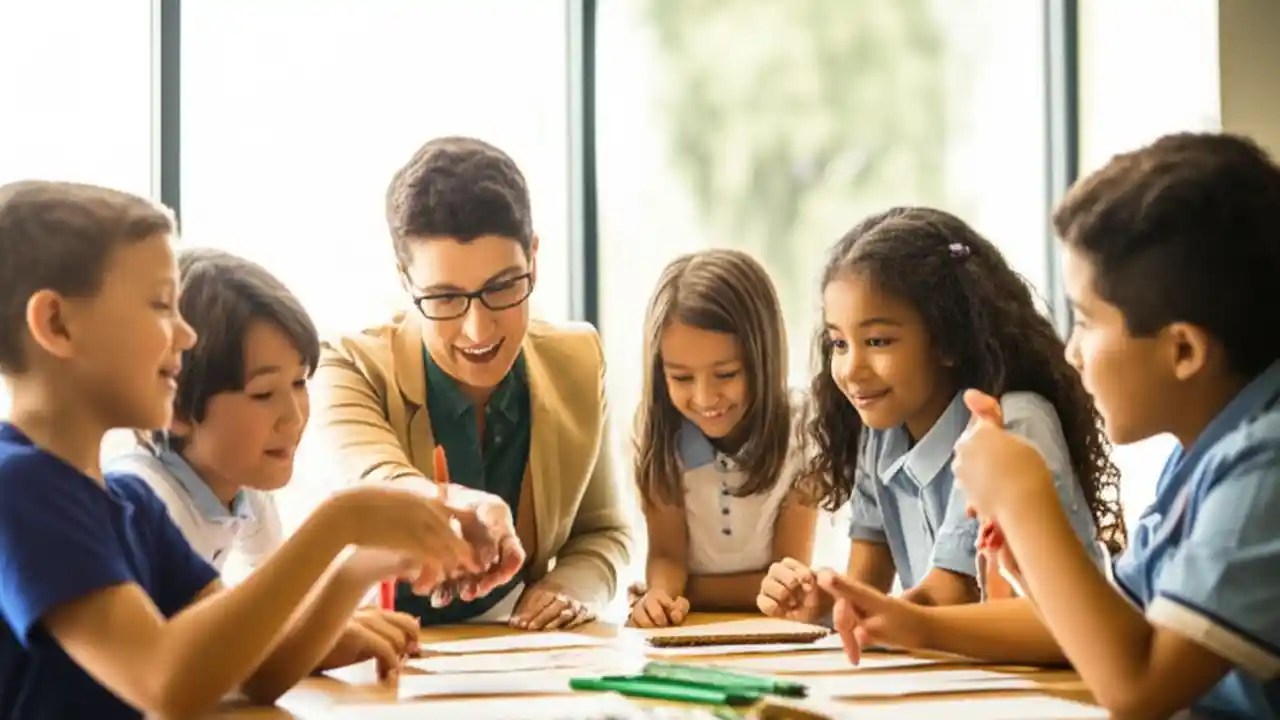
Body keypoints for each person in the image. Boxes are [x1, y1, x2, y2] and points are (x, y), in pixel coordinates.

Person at [820, 133, 1280, 718]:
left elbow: (1140, 688)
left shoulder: (1266, 465)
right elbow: (1118, 627)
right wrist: (920, 618)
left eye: (1086, 321)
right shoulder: (1203, 460)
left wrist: (1024, 498)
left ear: (1183, 351)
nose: (1072, 352)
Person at [0, 181, 478, 718]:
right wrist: (338, 522)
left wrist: (355, 566)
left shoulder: (131, 511)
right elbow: (164, 682)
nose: (184, 337)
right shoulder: (20, 486)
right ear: (57, 325)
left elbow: (261, 670)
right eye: (161, 305)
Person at [313, 136, 632, 630]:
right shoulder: (348, 365)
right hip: (370, 656)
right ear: (405, 281)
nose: (478, 330)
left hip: (518, 656)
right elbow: (379, 488)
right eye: (444, 298)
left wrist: (566, 590)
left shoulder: (579, 359)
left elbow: (604, 531)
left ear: (534, 258)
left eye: (503, 287)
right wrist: (465, 506)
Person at [758, 207, 1124, 622]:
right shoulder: (881, 431)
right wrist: (825, 602)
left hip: (1054, 676)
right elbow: (866, 585)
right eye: (839, 343)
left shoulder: (1006, 424)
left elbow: (948, 596)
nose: (850, 369)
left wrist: (860, 612)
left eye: (878, 341)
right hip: (965, 673)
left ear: (949, 340)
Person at [108, 247, 421, 677]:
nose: (293, 417)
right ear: (175, 408)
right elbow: (202, 661)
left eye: (299, 382)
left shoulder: (244, 491)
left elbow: (280, 608)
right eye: (263, 393)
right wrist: (319, 637)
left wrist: (339, 613)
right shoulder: (143, 504)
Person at [628, 250, 816, 628]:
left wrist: (692, 591)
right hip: (692, 628)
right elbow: (667, 556)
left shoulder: (805, 431)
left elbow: (785, 581)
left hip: (778, 628)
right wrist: (662, 597)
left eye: (727, 374)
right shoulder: (660, 433)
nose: (704, 398)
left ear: (762, 359)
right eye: (681, 378)